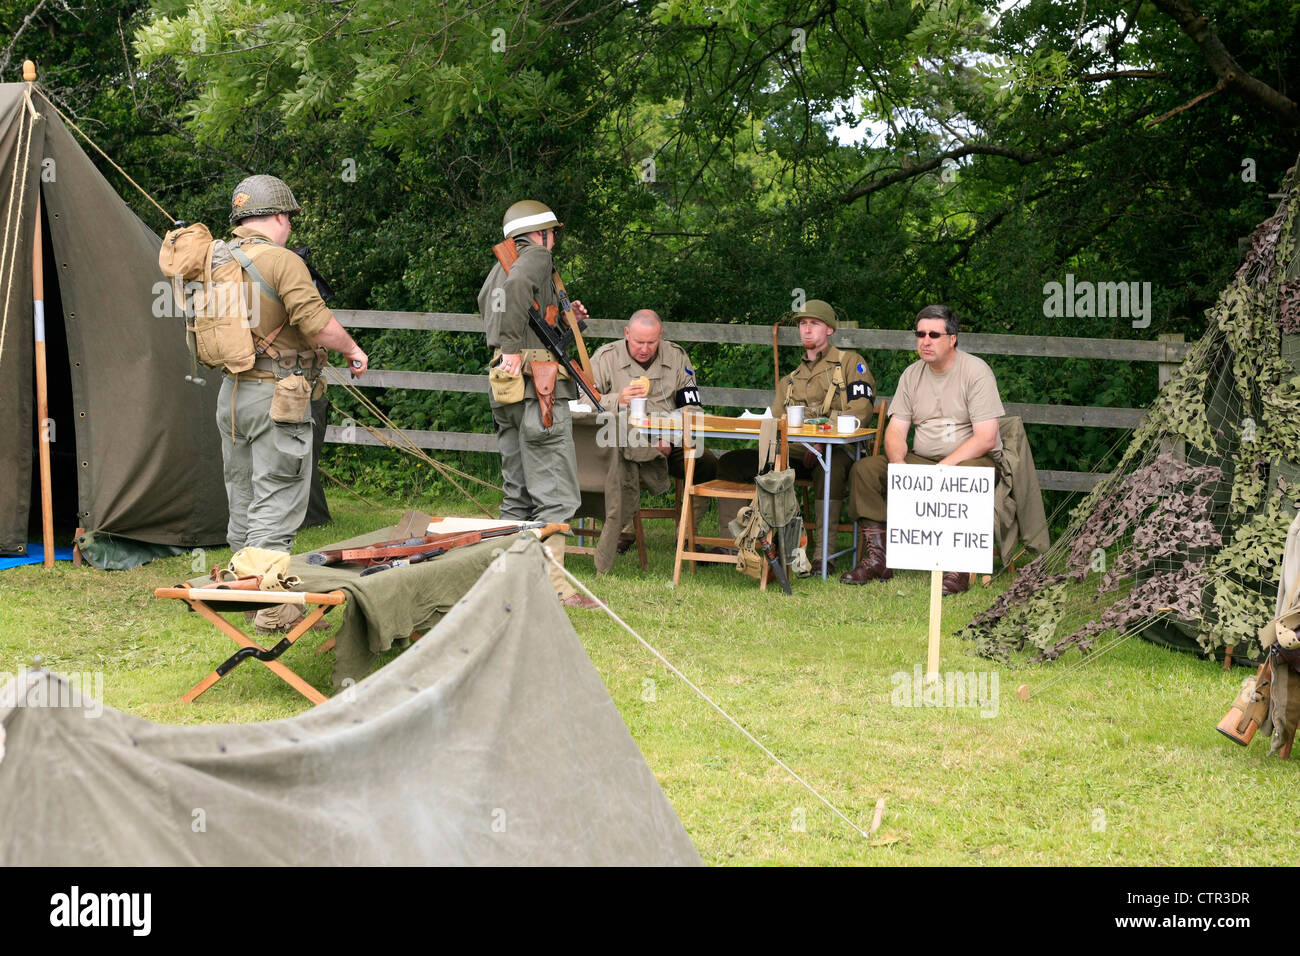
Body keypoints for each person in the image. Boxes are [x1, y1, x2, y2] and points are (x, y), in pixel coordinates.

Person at [219, 174, 369, 631]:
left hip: (231, 394)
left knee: (243, 492)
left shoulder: (217, 259)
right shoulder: (281, 260)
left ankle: (242, 589)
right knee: (278, 495)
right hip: (278, 396)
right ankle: (273, 608)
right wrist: (350, 349)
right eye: (290, 220)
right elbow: (317, 324)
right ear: (279, 216)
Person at [478, 199, 600, 608]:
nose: (554, 240)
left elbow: (503, 308)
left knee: (517, 494)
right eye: (552, 232)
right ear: (541, 233)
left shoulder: (500, 267)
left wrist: (567, 321)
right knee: (557, 496)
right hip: (539, 393)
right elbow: (517, 295)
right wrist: (514, 349)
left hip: (509, 394)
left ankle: (507, 585)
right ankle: (557, 591)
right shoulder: (536, 258)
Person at [840, 304, 1004, 595]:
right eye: (920, 334)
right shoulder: (912, 374)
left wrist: (948, 465)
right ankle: (880, 558)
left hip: (972, 460)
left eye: (934, 335)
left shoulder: (976, 372)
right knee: (865, 470)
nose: (925, 341)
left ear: (952, 338)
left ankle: (958, 567)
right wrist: (898, 461)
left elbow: (986, 437)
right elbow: (895, 430)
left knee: (961, 477)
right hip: (922, 458)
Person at [716, 299, 876, 574]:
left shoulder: (851, 363)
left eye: (814, 324)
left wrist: (821, 436)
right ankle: (733, 548)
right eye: (803, 324)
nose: (807, 329)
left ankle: (823, 557)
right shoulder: (790, 379)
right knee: (732, 462)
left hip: (838, 450)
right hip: (794, 452)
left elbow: (861, 410)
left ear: (829, 330)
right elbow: (775, 421)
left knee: (830, 468)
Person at [588, 309, 718, 572]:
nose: (644, 349)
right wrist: (616, 399)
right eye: (638, 342)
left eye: (651, 342)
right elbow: (581, 402)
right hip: (622, 443)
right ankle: (621, 529)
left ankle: (687, 535)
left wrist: (668, 437)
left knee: (706, 462)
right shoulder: (605, 357)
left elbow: (693, 409)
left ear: (661, 336)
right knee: (619, 458)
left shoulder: (677, 356)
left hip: (667, 441)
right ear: (627, 334)